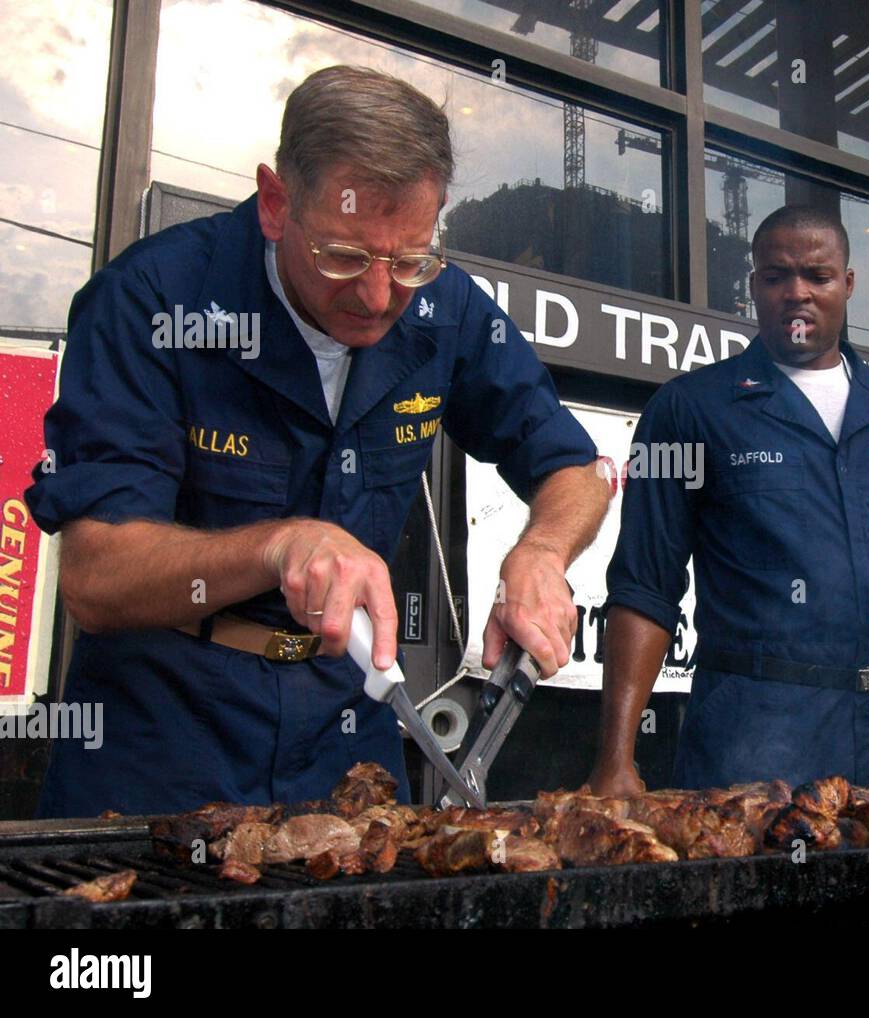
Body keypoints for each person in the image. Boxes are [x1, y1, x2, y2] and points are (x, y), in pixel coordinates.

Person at [25, 66, 610, 817]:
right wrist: (279, 545)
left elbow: (578, 468)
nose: (377, 297)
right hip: (163, 729)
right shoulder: (151, 298)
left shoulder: (448, 310)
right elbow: (96, 577)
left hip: (348, 730)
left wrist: (542, 554)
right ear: (276, 202)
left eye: (409, 260)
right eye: (343, 256)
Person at [588, 205, 869, 794]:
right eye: (776, 277)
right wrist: (615, 758)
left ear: (848, 284)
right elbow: (645, 586)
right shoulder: (692, 409)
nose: (797, 293)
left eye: (818, 277)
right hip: (757, 732)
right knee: (754, 881)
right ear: (753, 287)